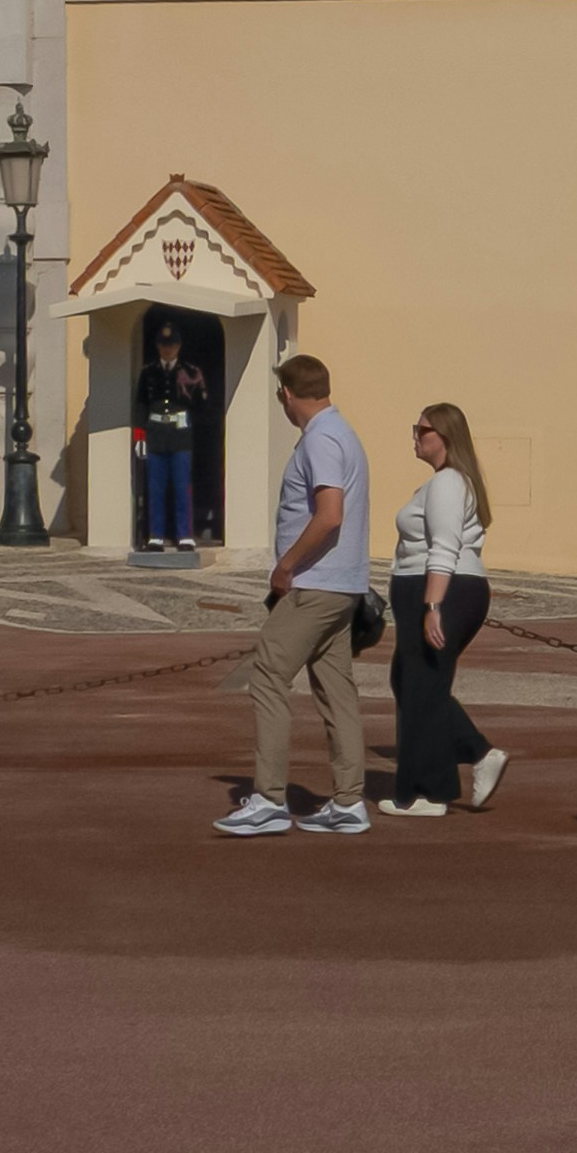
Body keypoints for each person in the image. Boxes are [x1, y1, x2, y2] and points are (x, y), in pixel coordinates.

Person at [219, 352, 373, 837]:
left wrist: (286, 566)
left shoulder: (321, 440)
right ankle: (349, 801)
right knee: (335, 687)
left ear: (287, 394)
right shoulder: (342, 432)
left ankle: (267, 798)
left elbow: (329, 515)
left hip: (315, 582)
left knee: (267, 674)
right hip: (342, 583)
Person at [374, 404, 508, 815]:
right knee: (412, 680)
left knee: (422, 684)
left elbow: (444, 548)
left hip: (444, 590)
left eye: (422, 429)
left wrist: (432, 605)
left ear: (445, 437)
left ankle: (428, 793)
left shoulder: (448, 482)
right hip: (436, 589)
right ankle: (477, 753)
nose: (414, 436)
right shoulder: (439, 483)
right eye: (414, 427)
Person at [134, 326, 206, 559]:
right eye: (164, 345)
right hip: (156, 433)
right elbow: (141, 405)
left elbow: (201, 405)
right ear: (158, 346)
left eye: (172, 345)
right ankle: (156, 534)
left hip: (180, 434)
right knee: (155, 487)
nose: (168, 350)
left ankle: (184, 534)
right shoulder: (148, 373)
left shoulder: (190, 372)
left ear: (178, 346)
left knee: (181, 486)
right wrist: (139, 436)